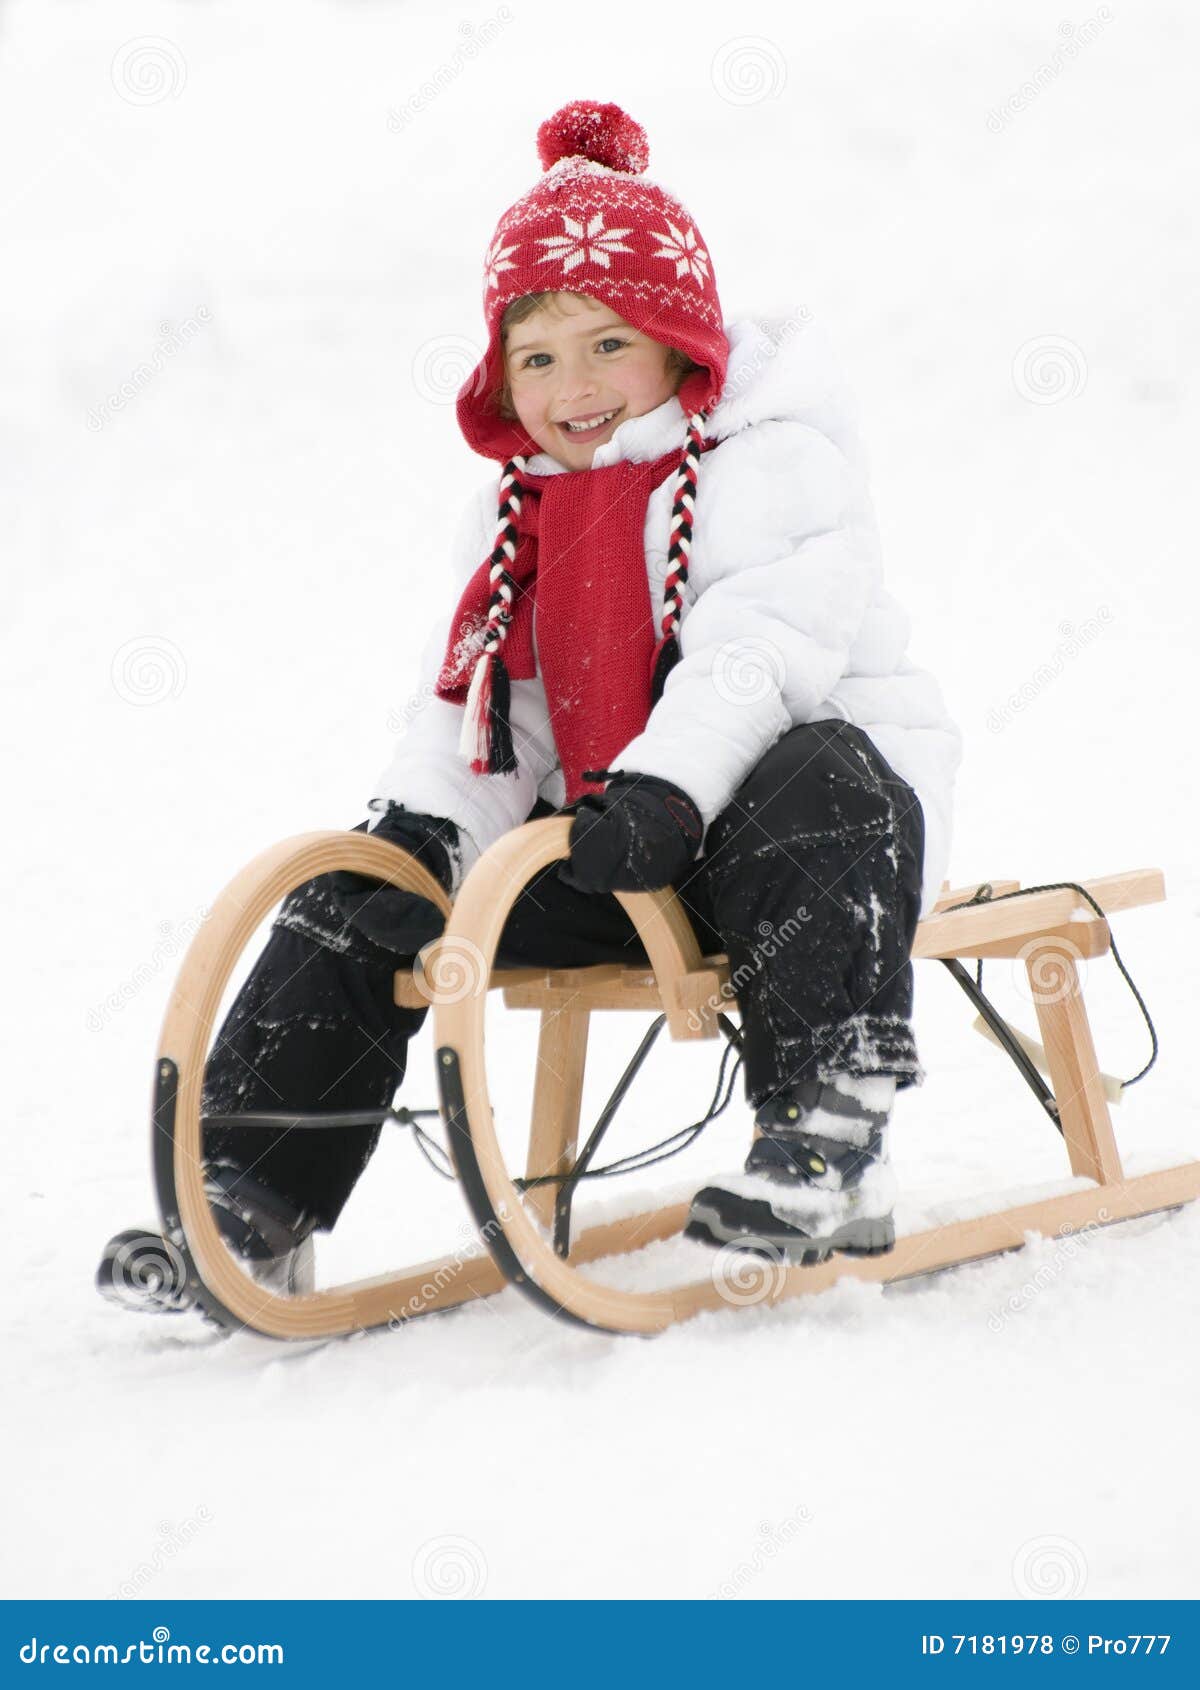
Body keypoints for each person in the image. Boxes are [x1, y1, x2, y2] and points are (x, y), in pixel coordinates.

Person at [191, 98, 962, 1296]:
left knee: (818, 769)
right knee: (359, 887)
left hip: (800, 863)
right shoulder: (523, 508)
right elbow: (500, 713)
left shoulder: (772, 457)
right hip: (620, 852)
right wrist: (427, 829)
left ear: (678, 338)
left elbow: (754, 657)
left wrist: (666, 787)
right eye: (538, 358)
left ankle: (830, 1130)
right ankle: (251, 1197)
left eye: (609, 342)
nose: (575, 385)